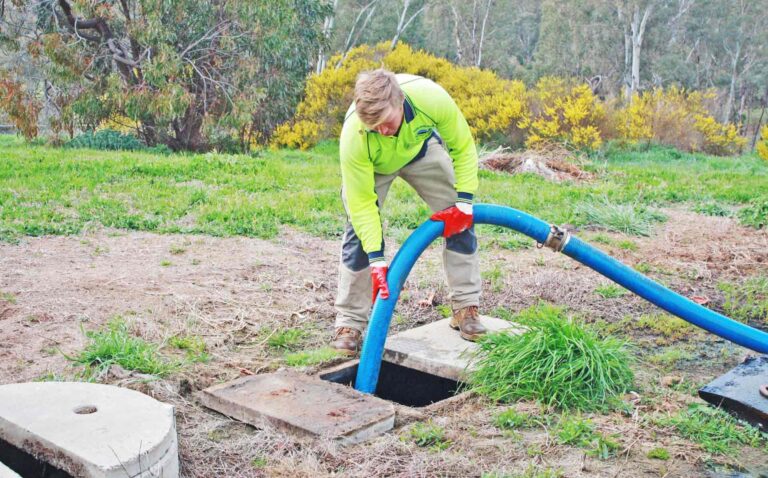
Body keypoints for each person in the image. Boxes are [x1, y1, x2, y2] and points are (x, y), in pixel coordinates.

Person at [331, 68, 486, 356]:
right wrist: (377, 260)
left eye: (387, 122)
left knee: (459, 217)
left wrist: (464, 202)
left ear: (400, 101)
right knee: (359, 234)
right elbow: (362, 204)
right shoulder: (354, 133)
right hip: (374, 165)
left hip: (419, 150)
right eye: (375, 127)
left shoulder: (431, 97)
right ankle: (349, 324)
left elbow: (463, 147)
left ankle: (466, 307)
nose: (383, 131)